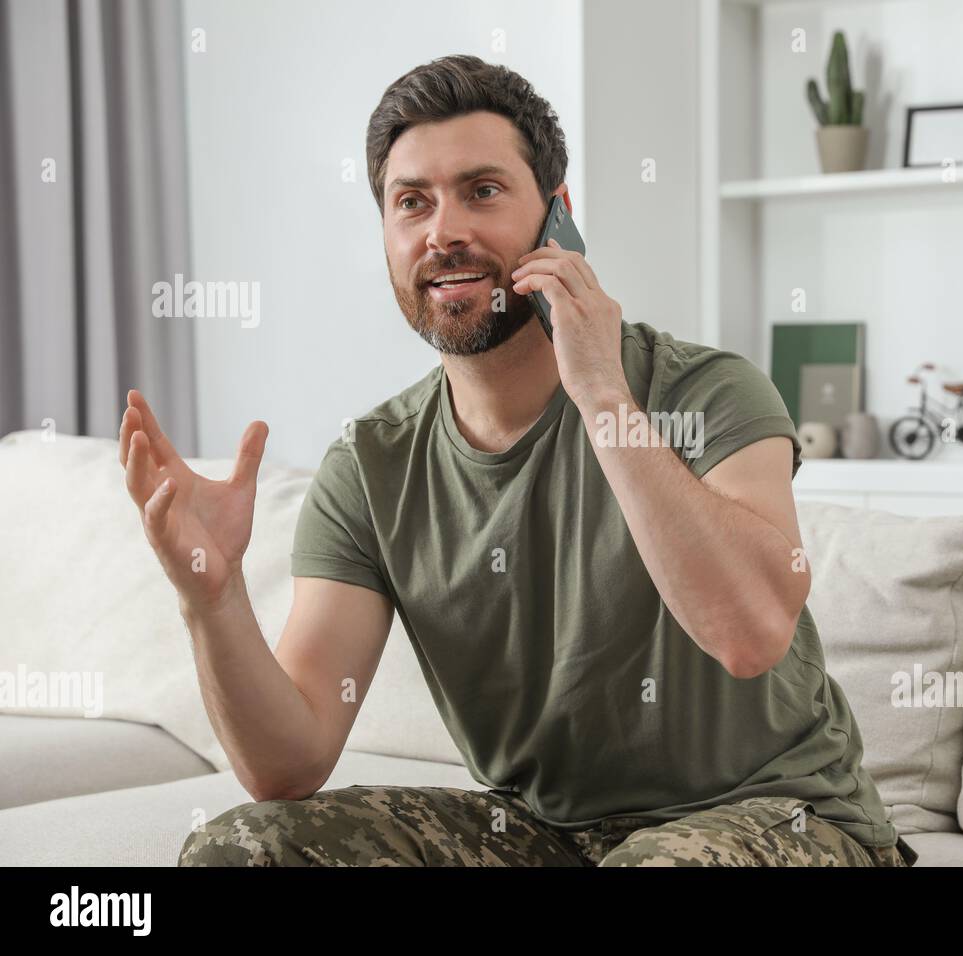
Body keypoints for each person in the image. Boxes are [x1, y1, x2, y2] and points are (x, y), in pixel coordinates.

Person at [120, 54, 916, 868]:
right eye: (412, 203)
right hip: (543, 836)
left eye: (483, 191)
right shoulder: (370, 466)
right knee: (242, 849)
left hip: (781, 817)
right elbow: (288, 763)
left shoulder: (706, 391)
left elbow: (751, 635)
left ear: (557, 219)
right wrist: (209, 600)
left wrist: (603, 394)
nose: (444, 230)